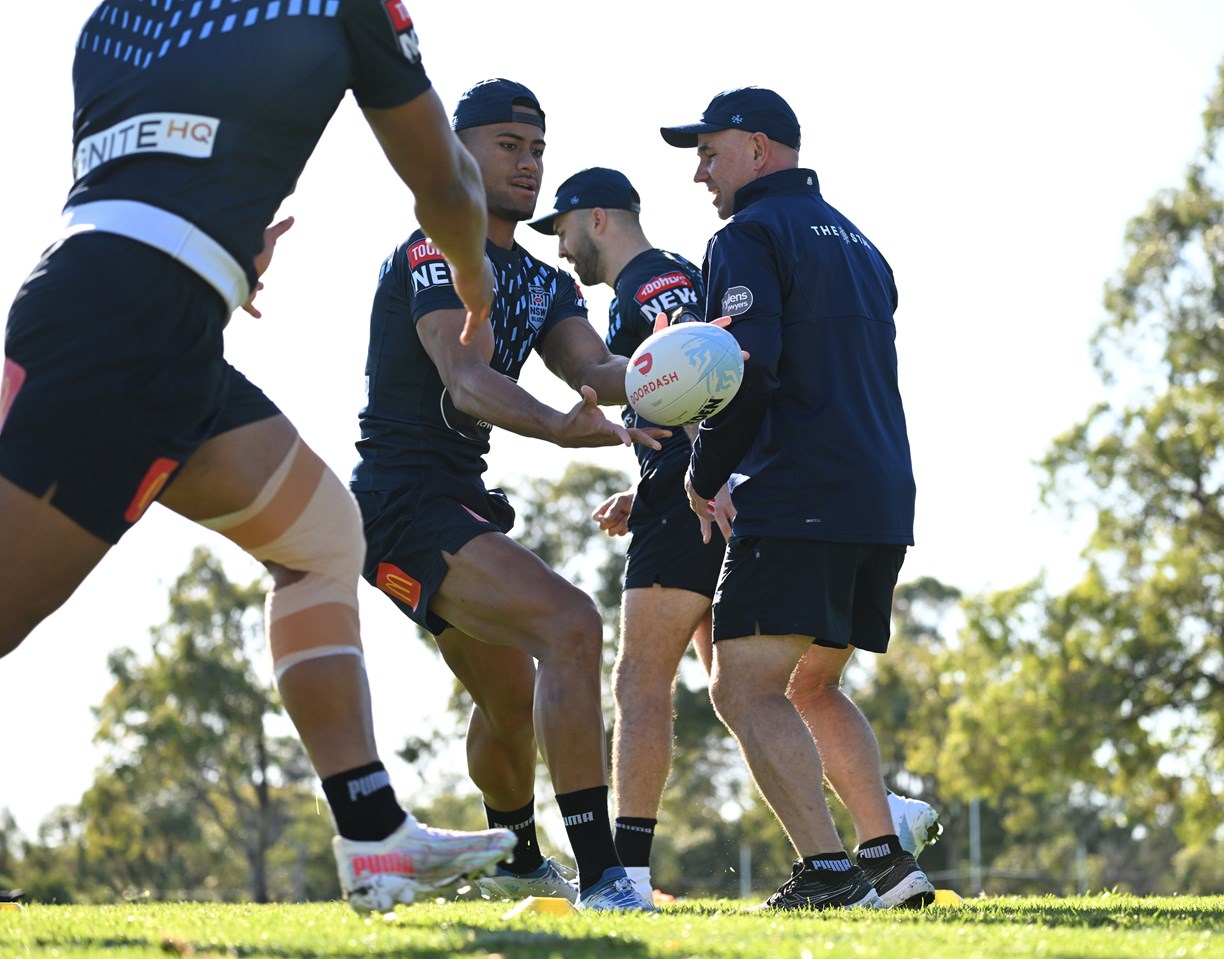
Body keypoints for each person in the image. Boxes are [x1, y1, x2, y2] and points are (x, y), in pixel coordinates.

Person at [0, 1, 518, 915]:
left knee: (322, 538)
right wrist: (477, 289)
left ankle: (374, 838)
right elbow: (447, 182)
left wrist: (227, 254)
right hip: (128, 326)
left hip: (138, 313)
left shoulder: (113, 16)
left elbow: (146, 177)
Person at [530, 167, 942, 903]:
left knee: (644, 678)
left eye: (560, 228)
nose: (560, 248)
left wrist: (693, 476)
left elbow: (712, 375)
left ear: (596, 218)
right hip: (752, 493)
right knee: (787, 686)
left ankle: (629, 874)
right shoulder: (688, 271)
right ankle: (881, 849)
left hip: (702, 500)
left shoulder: (650, 286)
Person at [350, 79, 662, 912]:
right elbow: (468, 381)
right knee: (570, 623)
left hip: (457, 501)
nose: (528, 165)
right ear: (458, 153)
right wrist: (564, 429)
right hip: (400, 504)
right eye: (507, 146)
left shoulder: (544, 281)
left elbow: (592, 367)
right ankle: (605, 878)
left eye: (537, 150)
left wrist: (666, 370)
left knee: (508, 697)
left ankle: (518, 863)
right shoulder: (434, 252)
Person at [659, 87, 936, 910]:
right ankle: (888, 864)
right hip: (881, 495)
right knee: (812, 684)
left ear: (756, 147)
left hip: (801, 492)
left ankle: (827, 873)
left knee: (740, 687)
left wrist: (703, 475)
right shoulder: (862, 242)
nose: (701, 173)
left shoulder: (745, 235)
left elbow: (744, 370)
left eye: (709, 153)